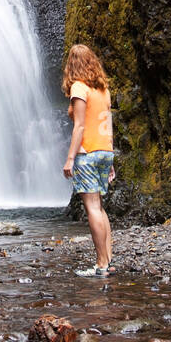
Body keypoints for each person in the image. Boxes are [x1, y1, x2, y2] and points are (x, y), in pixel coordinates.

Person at [62, 43, 115, 278]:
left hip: (88, 152)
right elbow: (106, 122)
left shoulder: (79, 87)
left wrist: (70, 158)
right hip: (105, 150)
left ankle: (101, 263)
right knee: (99, 207)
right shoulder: (103, 90)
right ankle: (107, 260)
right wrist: (110, 157)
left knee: (92, 207)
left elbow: (80, 126)